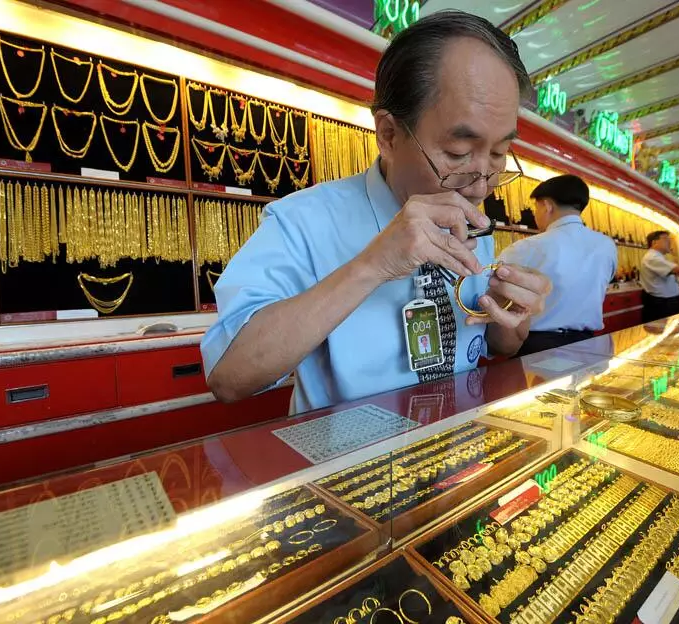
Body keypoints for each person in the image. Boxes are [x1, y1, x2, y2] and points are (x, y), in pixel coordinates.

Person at [200, 11, 551, 413]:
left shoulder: (473, 217)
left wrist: (511, 315)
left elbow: (494, 344)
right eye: (457, 153)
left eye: (500, 153)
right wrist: (373, 265)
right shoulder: (304, 220)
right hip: (348, 467)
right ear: (388, 134)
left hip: (460, 455)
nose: (480, 186)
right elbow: (228, 377)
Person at [498, 175, 616, 357]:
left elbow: (496, 287)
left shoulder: (527, 247)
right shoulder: (606, 244)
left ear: (547, 206)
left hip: (539, 345)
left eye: (535, 208)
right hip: (590, 343)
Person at [639, 230, 679, 322]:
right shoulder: (652, 258)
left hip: (667, 302)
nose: (670, 242)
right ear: (654, 242)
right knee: (663, 332)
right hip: (661, 305)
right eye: (666, 239)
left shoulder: (659, 257)